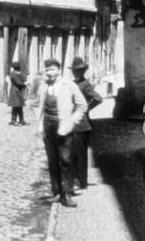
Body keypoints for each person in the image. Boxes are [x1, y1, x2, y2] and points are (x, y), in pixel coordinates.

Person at [32, 57, 87, 207]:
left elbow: (82, 105)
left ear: (59, 70)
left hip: (63, 126)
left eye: (53, 69)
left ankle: (67, 194)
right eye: (47, 69)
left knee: (66, 160)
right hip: (48, 125)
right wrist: (39, 126)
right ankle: (56, 193)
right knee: (52, 160)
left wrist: (72, 122)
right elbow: (38, 106)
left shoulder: (68, 85)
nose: (50, 72)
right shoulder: (43, 86)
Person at [69, 56, 102, 192]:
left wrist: (86, 108)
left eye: (79, 70)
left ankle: (82, 182)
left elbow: (98, 98)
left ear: (83, 71)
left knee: (80, 154)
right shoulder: (75, 83)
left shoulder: (85, 84)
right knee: (73, 153)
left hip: (82, 126)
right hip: (74, 124)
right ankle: (76, 179)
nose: (76, 73)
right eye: (75, 70)